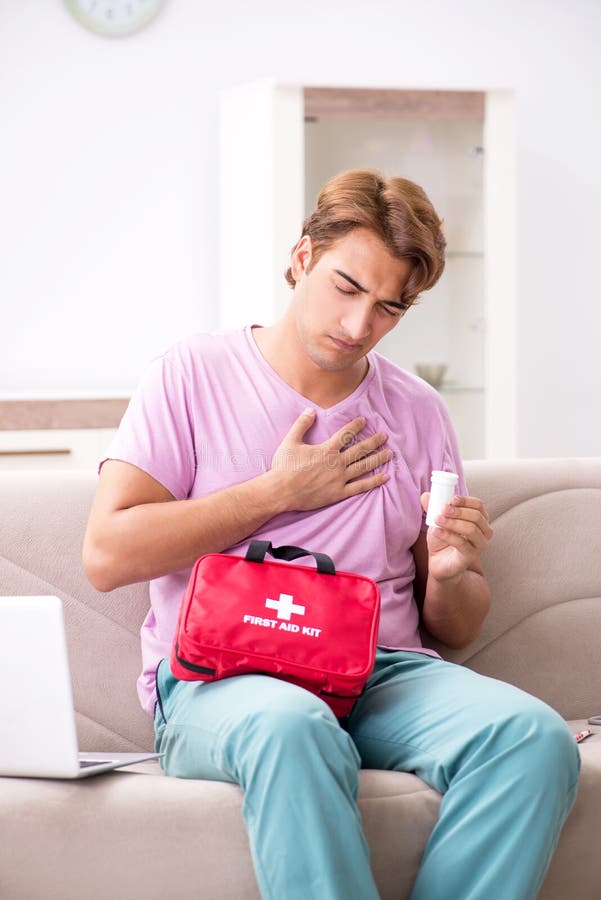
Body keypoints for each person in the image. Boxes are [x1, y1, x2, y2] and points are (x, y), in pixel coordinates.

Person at [83, 168, 580, 900]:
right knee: (293, 724)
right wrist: (276, 492)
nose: (357, 327)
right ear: (301, 257)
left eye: (387, 308)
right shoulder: (191, 374)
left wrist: (450, 571)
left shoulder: (416, 410)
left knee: (530, 738)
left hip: (377, 672)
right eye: (346, 288)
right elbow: (105, 555)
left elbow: (458, 627)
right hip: (225, 677)